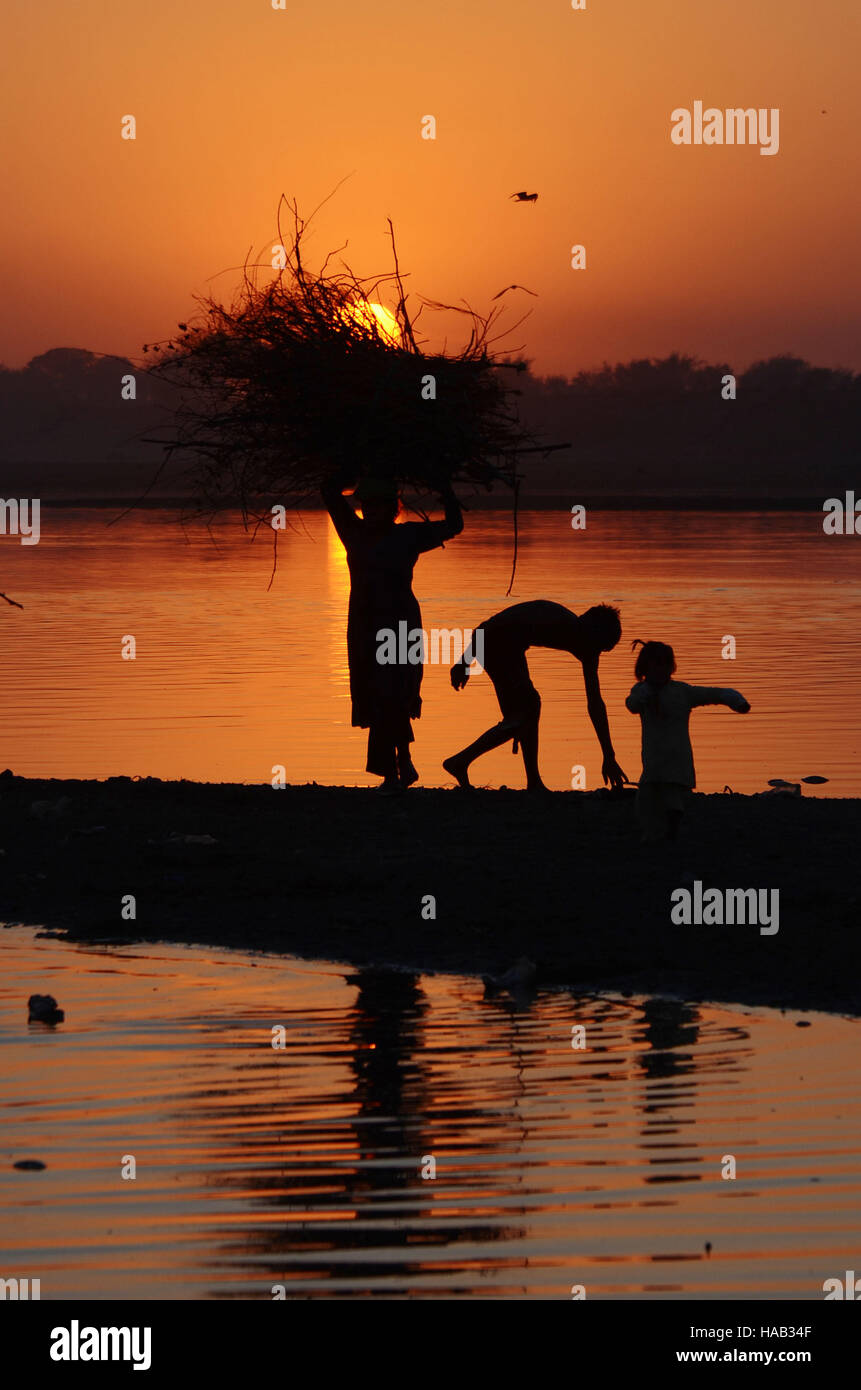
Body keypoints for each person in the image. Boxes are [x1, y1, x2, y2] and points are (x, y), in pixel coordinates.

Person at [321, 473, 463, 793]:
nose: (370, 511)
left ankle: (397, 768)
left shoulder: (409, 536)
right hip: (366, 625)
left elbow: (454, 526)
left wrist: (447, 492)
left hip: (401, 625)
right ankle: (401, 764)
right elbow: (329, 491)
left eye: (378, 506)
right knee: (380, 693)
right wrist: (355, 465)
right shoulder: (352, 531)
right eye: (366, 506)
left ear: (393, 508)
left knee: (397, 692)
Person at [443, 599, 627, 792]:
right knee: (525, 711)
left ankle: (532, 782)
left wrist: (609, 755)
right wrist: (464, 661)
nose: (596, 653)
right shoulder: (557, 621)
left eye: (602, 650)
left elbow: (595, 703)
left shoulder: (586, 645)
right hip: (493, 642)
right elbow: (487, 628)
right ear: (590, 630)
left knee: (526, 711)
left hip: (510, 647)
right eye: (598, 646)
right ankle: (461, 762)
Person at [625, 639, 750, 843]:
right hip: (655, 758)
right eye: (655, 664)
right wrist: (644, 697)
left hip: (676, 755)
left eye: (665, 664)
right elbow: (632, 705)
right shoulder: (642, 691)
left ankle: (666, 831)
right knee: (646, 799)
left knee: (669, 795)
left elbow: (714, 694)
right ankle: (654, 834)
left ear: (671, 667)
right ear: (645, 667)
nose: (660, 669)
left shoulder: (682, 691)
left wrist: (737, 701)